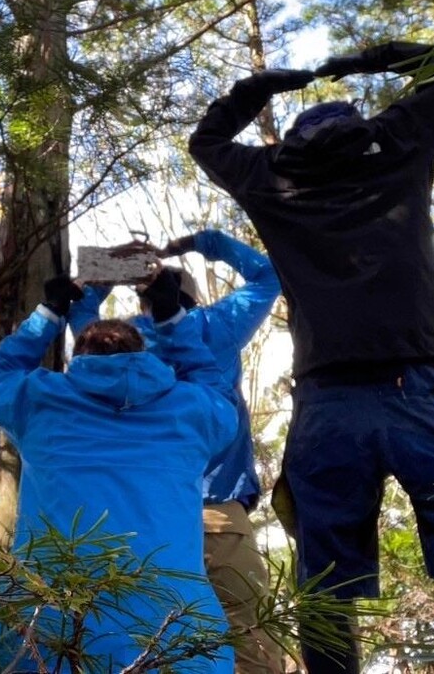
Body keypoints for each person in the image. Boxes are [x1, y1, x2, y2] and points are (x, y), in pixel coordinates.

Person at [188, 40, 434, 674]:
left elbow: (207, 143)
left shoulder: (270, 175)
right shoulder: (397, 143)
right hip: (425, 389)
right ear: (357, 124)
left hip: (329, 405)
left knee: (326, 591)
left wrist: (260, 88)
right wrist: (366, 60)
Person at [0, 272, 239, 673]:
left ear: (79, 358)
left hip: (45, 637)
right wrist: (170, 318)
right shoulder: (192, 410)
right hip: (178, 643)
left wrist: (50, 312)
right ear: (144, 354)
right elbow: (220, 395)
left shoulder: (41, 399)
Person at [76, 230, 286, 674]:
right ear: (187, 296)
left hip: (138, 518)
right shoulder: (216, 326)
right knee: (248, 639)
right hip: (215, 514)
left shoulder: (121, 346)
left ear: (143, 299)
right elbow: (269, 276)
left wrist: (110, 267)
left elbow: (80, 319)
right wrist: (198, 242)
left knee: (138, 642)